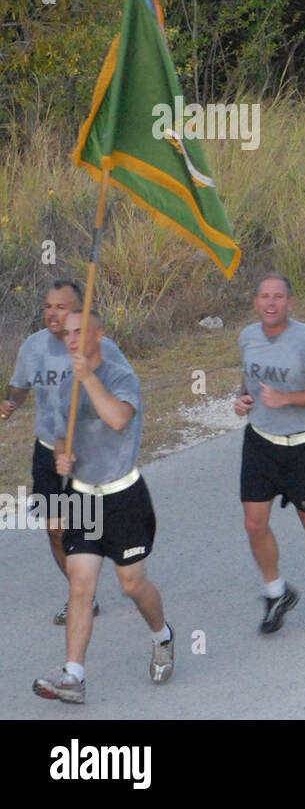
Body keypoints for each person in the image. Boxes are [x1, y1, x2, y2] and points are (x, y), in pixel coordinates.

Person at [33, 311, 173, 704]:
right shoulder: (65, 388)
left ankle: (162, 635)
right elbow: (61, 436)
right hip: (83, 496)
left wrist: (89, 378)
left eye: (81, 332)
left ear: (99, 334)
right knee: (80, 585)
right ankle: (73, 675)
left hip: (124, 496)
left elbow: (116, 419)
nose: (72, 339)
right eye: (68, 334)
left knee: (131, 584)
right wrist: (62, 458)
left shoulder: (119, 377)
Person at [2, 281, 122, 624]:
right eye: (48, 306)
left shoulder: (102, 347)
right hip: (47, 450)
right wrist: (12, 402)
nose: (52, 314)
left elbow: (122, 390)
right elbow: (20, 385)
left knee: (92, 526)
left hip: (89, 453)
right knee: (55, 529)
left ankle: (121, 568)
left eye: (61, 307)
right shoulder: (32, 347)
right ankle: (82, 596)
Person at [235, 273, 305, 632]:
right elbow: (248, 380)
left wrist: (287, 399)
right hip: (261, 442)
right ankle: (276, 591)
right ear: (255, 302)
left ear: (290, 303)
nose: (270, 303)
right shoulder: (247, 337)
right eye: (264, 296)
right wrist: (243, 399)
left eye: (278, 297)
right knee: (254, 524)